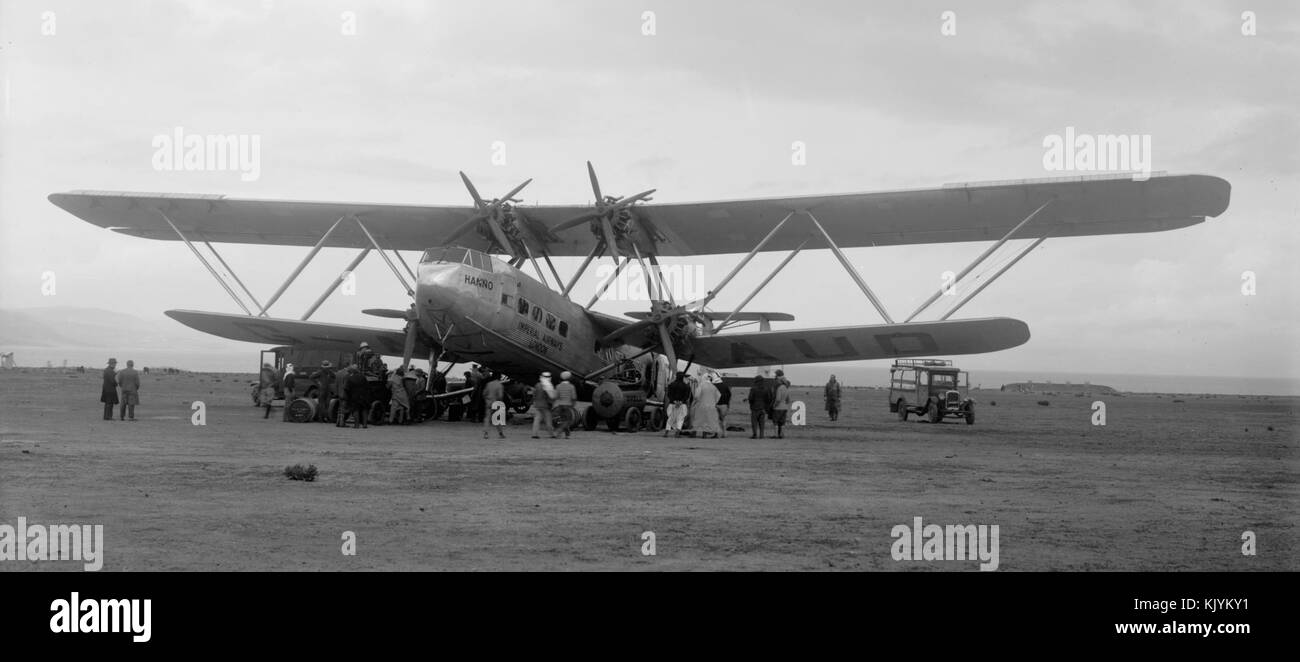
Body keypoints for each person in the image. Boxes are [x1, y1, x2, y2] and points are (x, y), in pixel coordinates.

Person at [689, 371, 722, 438]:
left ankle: (694, 434)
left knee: (697, 420)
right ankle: (704, 435)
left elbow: (696, 396)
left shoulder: (701, 385)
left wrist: (696, 402)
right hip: (711, 407)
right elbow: (719, 396)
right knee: (707, 421)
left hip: (701, 405)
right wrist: (713, 403)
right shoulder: (713, 387)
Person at [341, 363, 369, 428]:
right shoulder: (363, 377)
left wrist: (346, 397)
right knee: (364, 409)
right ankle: (365, 424)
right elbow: (367, 387)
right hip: (363, 396)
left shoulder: (350, 378)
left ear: (353, 371)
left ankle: (357, 425)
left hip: (354, 397)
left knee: (355, 410)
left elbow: (346, 389)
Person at [664, 372, 691, 437]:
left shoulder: (671, 385)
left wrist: (674, 401)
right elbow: (686, 396)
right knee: (680, 419)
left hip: (672, 404)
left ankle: (666, 433)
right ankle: (677, 433)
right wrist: (681, 402)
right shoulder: (686, 386)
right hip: (682, 405)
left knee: (670, 418)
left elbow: (669, 394)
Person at [530, 372, 556, 439]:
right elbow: (550, 397)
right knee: (548, 420)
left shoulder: (537, 384)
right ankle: (552, 434)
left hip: (537, 405)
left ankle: (534, 434)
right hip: (545, 406)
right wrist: (551, 404)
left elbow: (534, 394)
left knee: (537, 420)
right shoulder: (548, 385)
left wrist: (534, 402)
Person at [553, 371, 577, 438]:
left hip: (560, 405)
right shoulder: (571, 387)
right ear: (569, 378)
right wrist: (573, 404)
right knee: (567, 420)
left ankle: (567, 434)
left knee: (562, 419)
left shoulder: (558, 386)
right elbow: (574, 397)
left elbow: (556, 396)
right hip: (568, 405)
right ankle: (558, 431)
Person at [483, 371, 506, 439]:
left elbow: (484, 394)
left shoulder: (489, 384)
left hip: (489, 402)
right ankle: (500, 433)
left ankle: (486, 433)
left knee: (487, 418)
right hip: (496, 403)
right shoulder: (500, 385)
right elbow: (500, 396)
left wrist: (486, 400)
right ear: (499, 377)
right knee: (497, 419)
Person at [771, 369, 792, 439]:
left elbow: (778, 399)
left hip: (778, 408)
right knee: (782, 422)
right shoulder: (786, 388)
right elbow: (788, 400)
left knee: (775, 422)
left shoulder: (779, 388)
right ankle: (782, 435)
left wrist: (774, 405)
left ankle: (775, 435)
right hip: (785, 407)